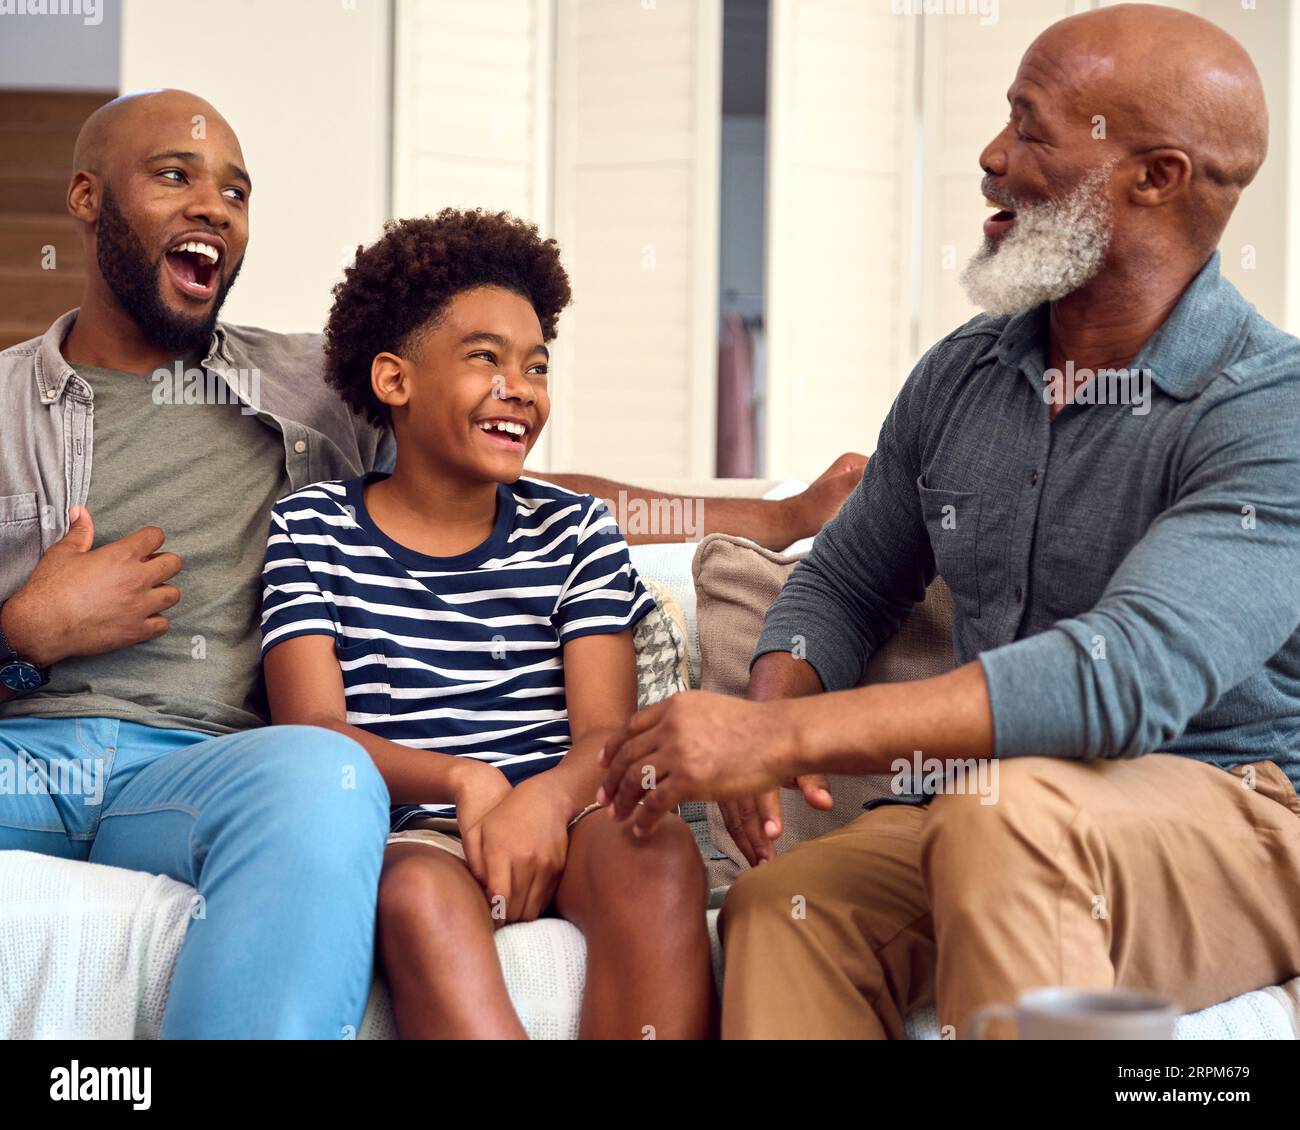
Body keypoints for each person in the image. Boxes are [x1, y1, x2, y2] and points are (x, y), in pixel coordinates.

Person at [0, 88, 855, 1037]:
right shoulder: (6, 408)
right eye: (175, 176)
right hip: (25, 750)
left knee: (317, 784)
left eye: (237, 193)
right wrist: (20, 632)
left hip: (212, 767)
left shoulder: (301, 384)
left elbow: (499, 472)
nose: (214, 207)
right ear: (84, 197)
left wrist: (776, 514)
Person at [595, 3, 1300, 1039]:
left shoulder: (1267, 406)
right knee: (783, 908)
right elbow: (844, 579)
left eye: (1030, 127)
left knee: (1006, 816)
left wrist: (777, 731)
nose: (990, 154)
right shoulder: (964, 374)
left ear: (1155, 175)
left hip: (1240, 811)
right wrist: (777, 697)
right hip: (994, 811)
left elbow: (1122, 672)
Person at [261, 210, 714, 1039]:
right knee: (415, 896)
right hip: (417, 829)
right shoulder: (312, 527)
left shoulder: (576, 531)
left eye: (537, 366)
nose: (521, 387)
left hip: (569, 814)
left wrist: (541, 802)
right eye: (485, 359)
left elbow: (604, 735)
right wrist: (463, 781)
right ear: (395, 381)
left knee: (657, 855)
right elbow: (313, 732)